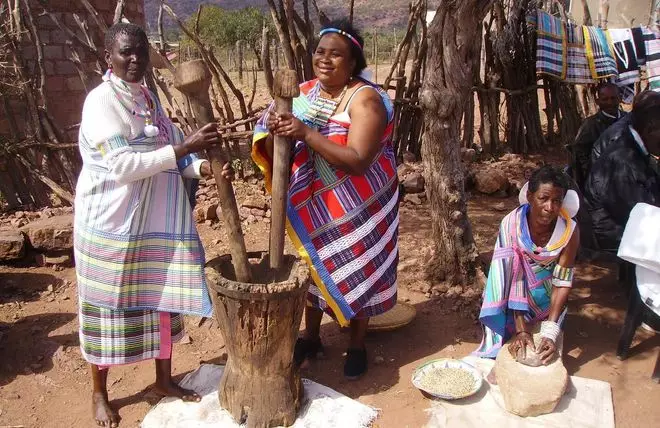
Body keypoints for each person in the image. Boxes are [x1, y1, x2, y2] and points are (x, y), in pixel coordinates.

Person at [74, 23, 232, 427]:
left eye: (141, 52)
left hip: (155, 226)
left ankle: (163, 381)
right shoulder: (101, 102)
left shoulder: (147, 98)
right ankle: (99, 394)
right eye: (126, 52)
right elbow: (124, 165)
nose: (135, 59)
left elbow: (174, 159)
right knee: (108, 308)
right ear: (107, 56)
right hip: (111, 225)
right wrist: (183, 147)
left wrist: (203, 168)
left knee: (161, 303)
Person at [252, 19, 399, 379]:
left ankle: (356, 344)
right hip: (313, 205)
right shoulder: (300, 94)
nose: (325, 60)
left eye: (337, 55)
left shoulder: (365, 100)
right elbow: (273, 149)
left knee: (360, 268)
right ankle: (313, 337)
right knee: (313, 269)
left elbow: (359, 160)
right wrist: (275, 133)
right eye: (320, 52)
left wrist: (304, 131)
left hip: (361, 206)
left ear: (353, 63)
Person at [474, 166, 580, 364]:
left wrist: (550, 331)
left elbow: (562, 282)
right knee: (505, 338)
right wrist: (522, 329)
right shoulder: (511, 224)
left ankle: (545, 324)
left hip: (548, 300)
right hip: (513, 298)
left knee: (545, 347)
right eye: (543, 198)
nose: (550, 207)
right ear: (530, 197)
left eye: (556, 201)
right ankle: (517, 324)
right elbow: (512, 276)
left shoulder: (570, 232)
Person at [584, 90, 660, 253]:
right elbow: (642, 216)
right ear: (650, 128)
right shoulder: (623, 160)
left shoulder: (635, 143)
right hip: (612, 233)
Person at [570, 83, 626, 189]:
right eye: (605, 99)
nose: (610, 102)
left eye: (613, 98)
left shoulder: (628, 119)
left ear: (620, 98)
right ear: (598, 101)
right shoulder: (590, 125)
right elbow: (581, 157)